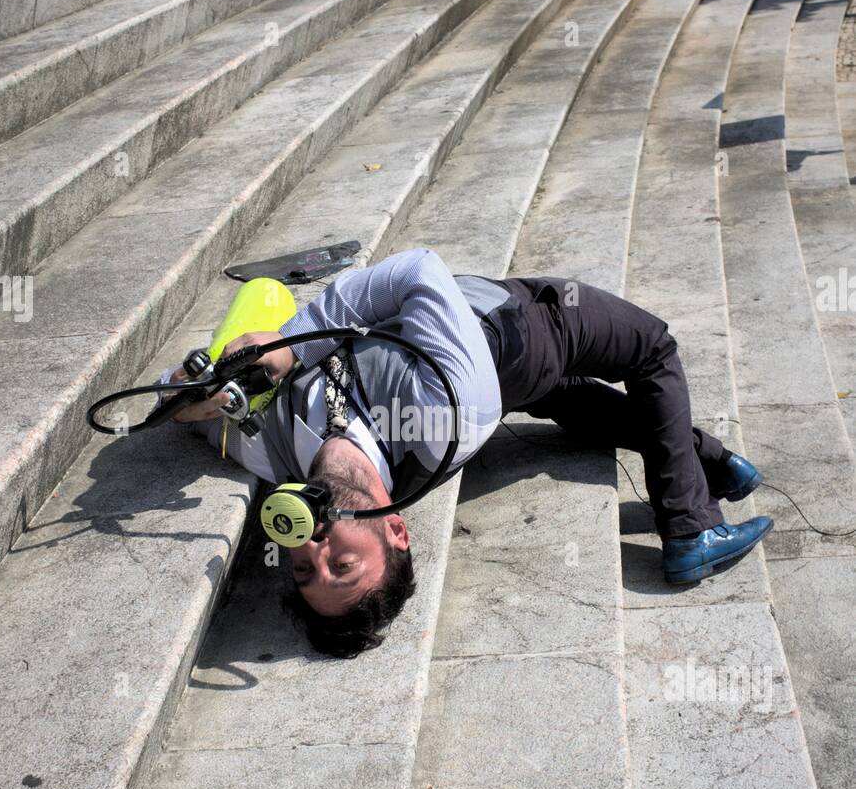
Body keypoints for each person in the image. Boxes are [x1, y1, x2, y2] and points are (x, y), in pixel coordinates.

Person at [162, 249, 772, 657]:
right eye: (341, 566)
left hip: (495, 374)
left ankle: (708, 461)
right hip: (522, 328)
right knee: (652, 349)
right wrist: (298, 346)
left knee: (561, 395)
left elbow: (168, 398)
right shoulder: (440, 415)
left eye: (303, 568)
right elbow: (417, 272)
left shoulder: (268, 453)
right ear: (397, 529)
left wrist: (197, 397)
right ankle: (690, 527)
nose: (316, 549)